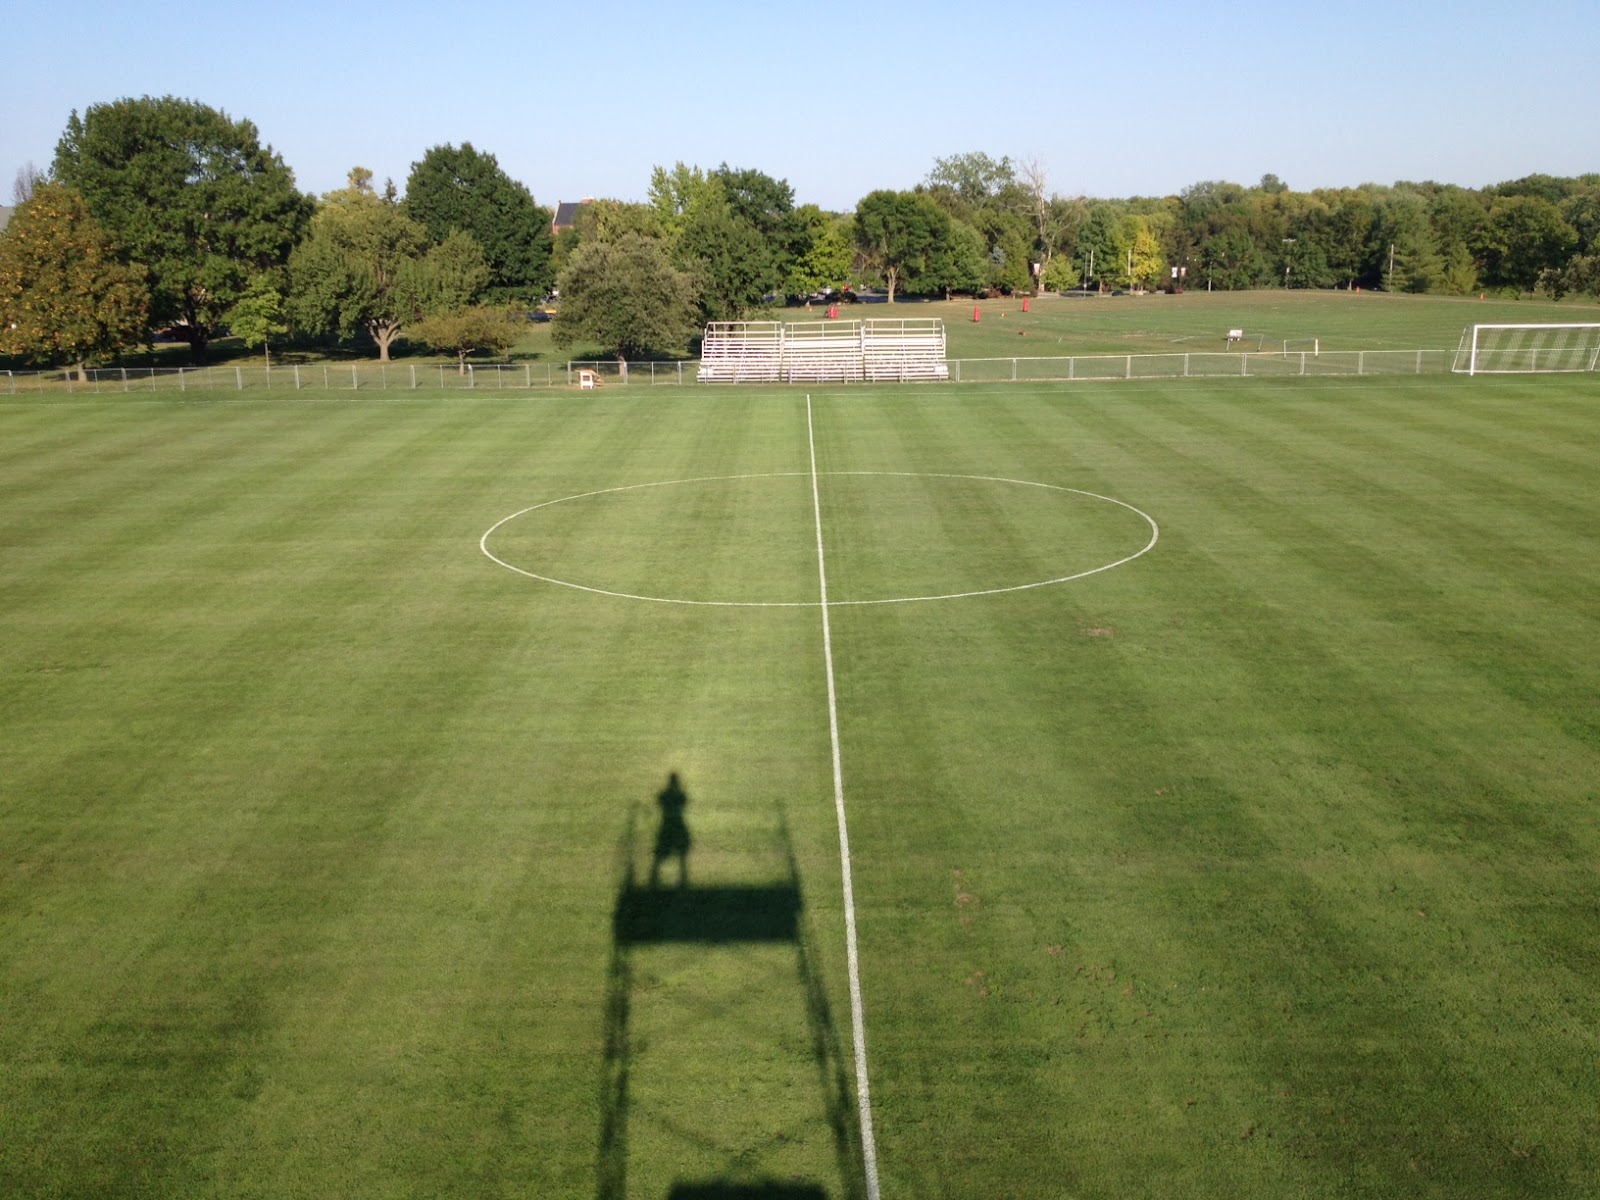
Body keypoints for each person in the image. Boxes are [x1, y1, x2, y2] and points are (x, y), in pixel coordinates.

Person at [649, 772, 691, 888]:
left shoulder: (670, 796)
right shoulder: (674, 796)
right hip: (671, 826)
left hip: (672, 826)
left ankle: (682, 881)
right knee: (660, 855)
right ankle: (654, 879)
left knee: (680, 855)